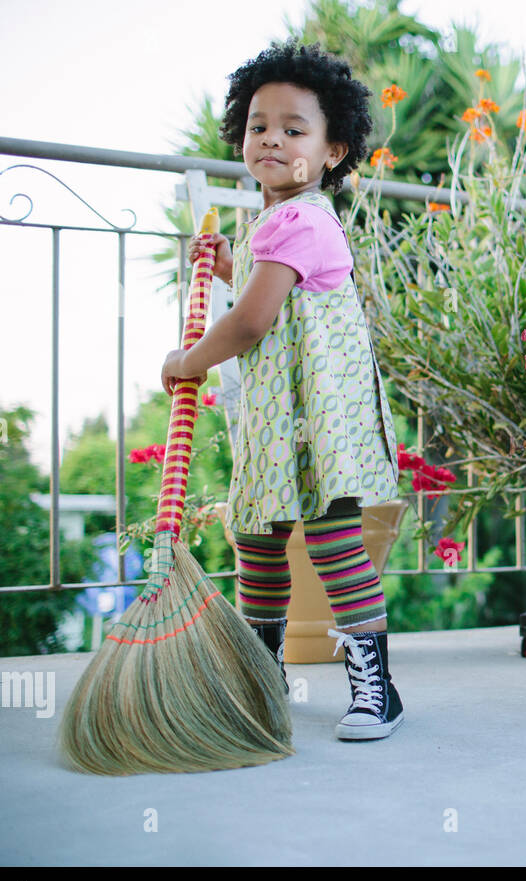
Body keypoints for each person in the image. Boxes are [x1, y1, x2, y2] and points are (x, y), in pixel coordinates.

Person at [162, 39, 402, 741]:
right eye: (259, 124)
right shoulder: (277, 222)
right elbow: (272, 298)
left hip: (317, 423)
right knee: (259, 540)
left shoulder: (302, 216)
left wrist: (187, 361)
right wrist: (232, 260)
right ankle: (262, 676)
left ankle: (375, 687)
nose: (271, 138)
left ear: (333, 152)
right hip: (280, 421)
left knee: (331, 542)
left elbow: (251, 321)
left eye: (295, 129)